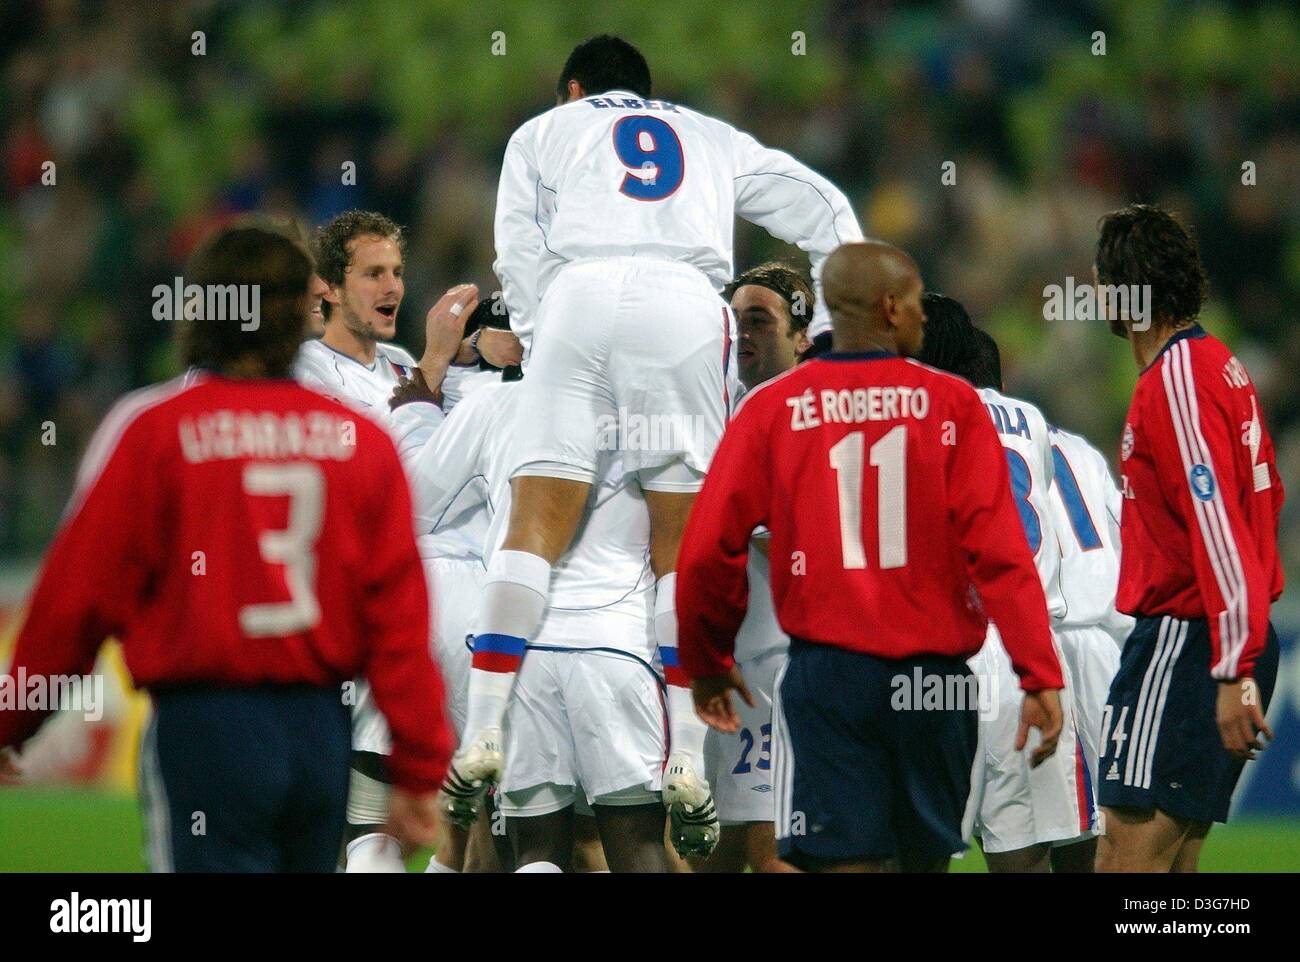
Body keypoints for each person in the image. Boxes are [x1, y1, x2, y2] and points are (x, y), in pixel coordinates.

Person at [449, 34, 865, 827]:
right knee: (681, 542)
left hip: (577, 293)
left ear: (574, 90)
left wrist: (541, 341)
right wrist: (833, 305)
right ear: (649, 93)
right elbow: (818, 204)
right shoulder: (705, 134)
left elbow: (518, 248)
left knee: (534, 524)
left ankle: (482, 732)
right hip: (683, 301)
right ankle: (684, 760)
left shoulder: (542, 131)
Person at [0, 222, 452, 871]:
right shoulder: (361, 443)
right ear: (305, 308)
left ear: (197, 308)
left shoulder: (156, 433)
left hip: (207, 729)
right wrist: (418, 765)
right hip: (320, 735)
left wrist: (13, 721)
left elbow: (74, 603)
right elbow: (400, 622)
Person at [676, 241, 1064, 872]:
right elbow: (999, 553)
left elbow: (706, 549)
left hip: (831, 680)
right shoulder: (953, 405)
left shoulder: (774, 408)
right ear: (888, 307)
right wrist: (1037, 670)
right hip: (935, 684)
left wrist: (707, 660)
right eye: (914, 304)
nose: (921, 318)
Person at [1092, 204, 1284, 872]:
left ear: (1123, 290)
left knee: (1126, 862)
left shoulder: (1177, 381)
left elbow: (1218, 531)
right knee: (1170, 872)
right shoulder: (1215, 364)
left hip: (1190, 640)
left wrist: (1233, 669)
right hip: (1217, 636)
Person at [918, 298, 1095, 873]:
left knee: (915, 848)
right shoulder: (1031, 421)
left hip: (946, 652)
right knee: (1024, 854)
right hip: (1028, 649)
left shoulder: (916, 419)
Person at [694, 263, 812, 873]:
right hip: (740, 662)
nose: (743, 333)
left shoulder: (791, 411)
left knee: (771, 848)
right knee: (726, 840)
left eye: (760, 321)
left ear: (803, 337)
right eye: (735, 320)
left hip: (780, 662)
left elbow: (781, 538)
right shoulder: (733, 403)